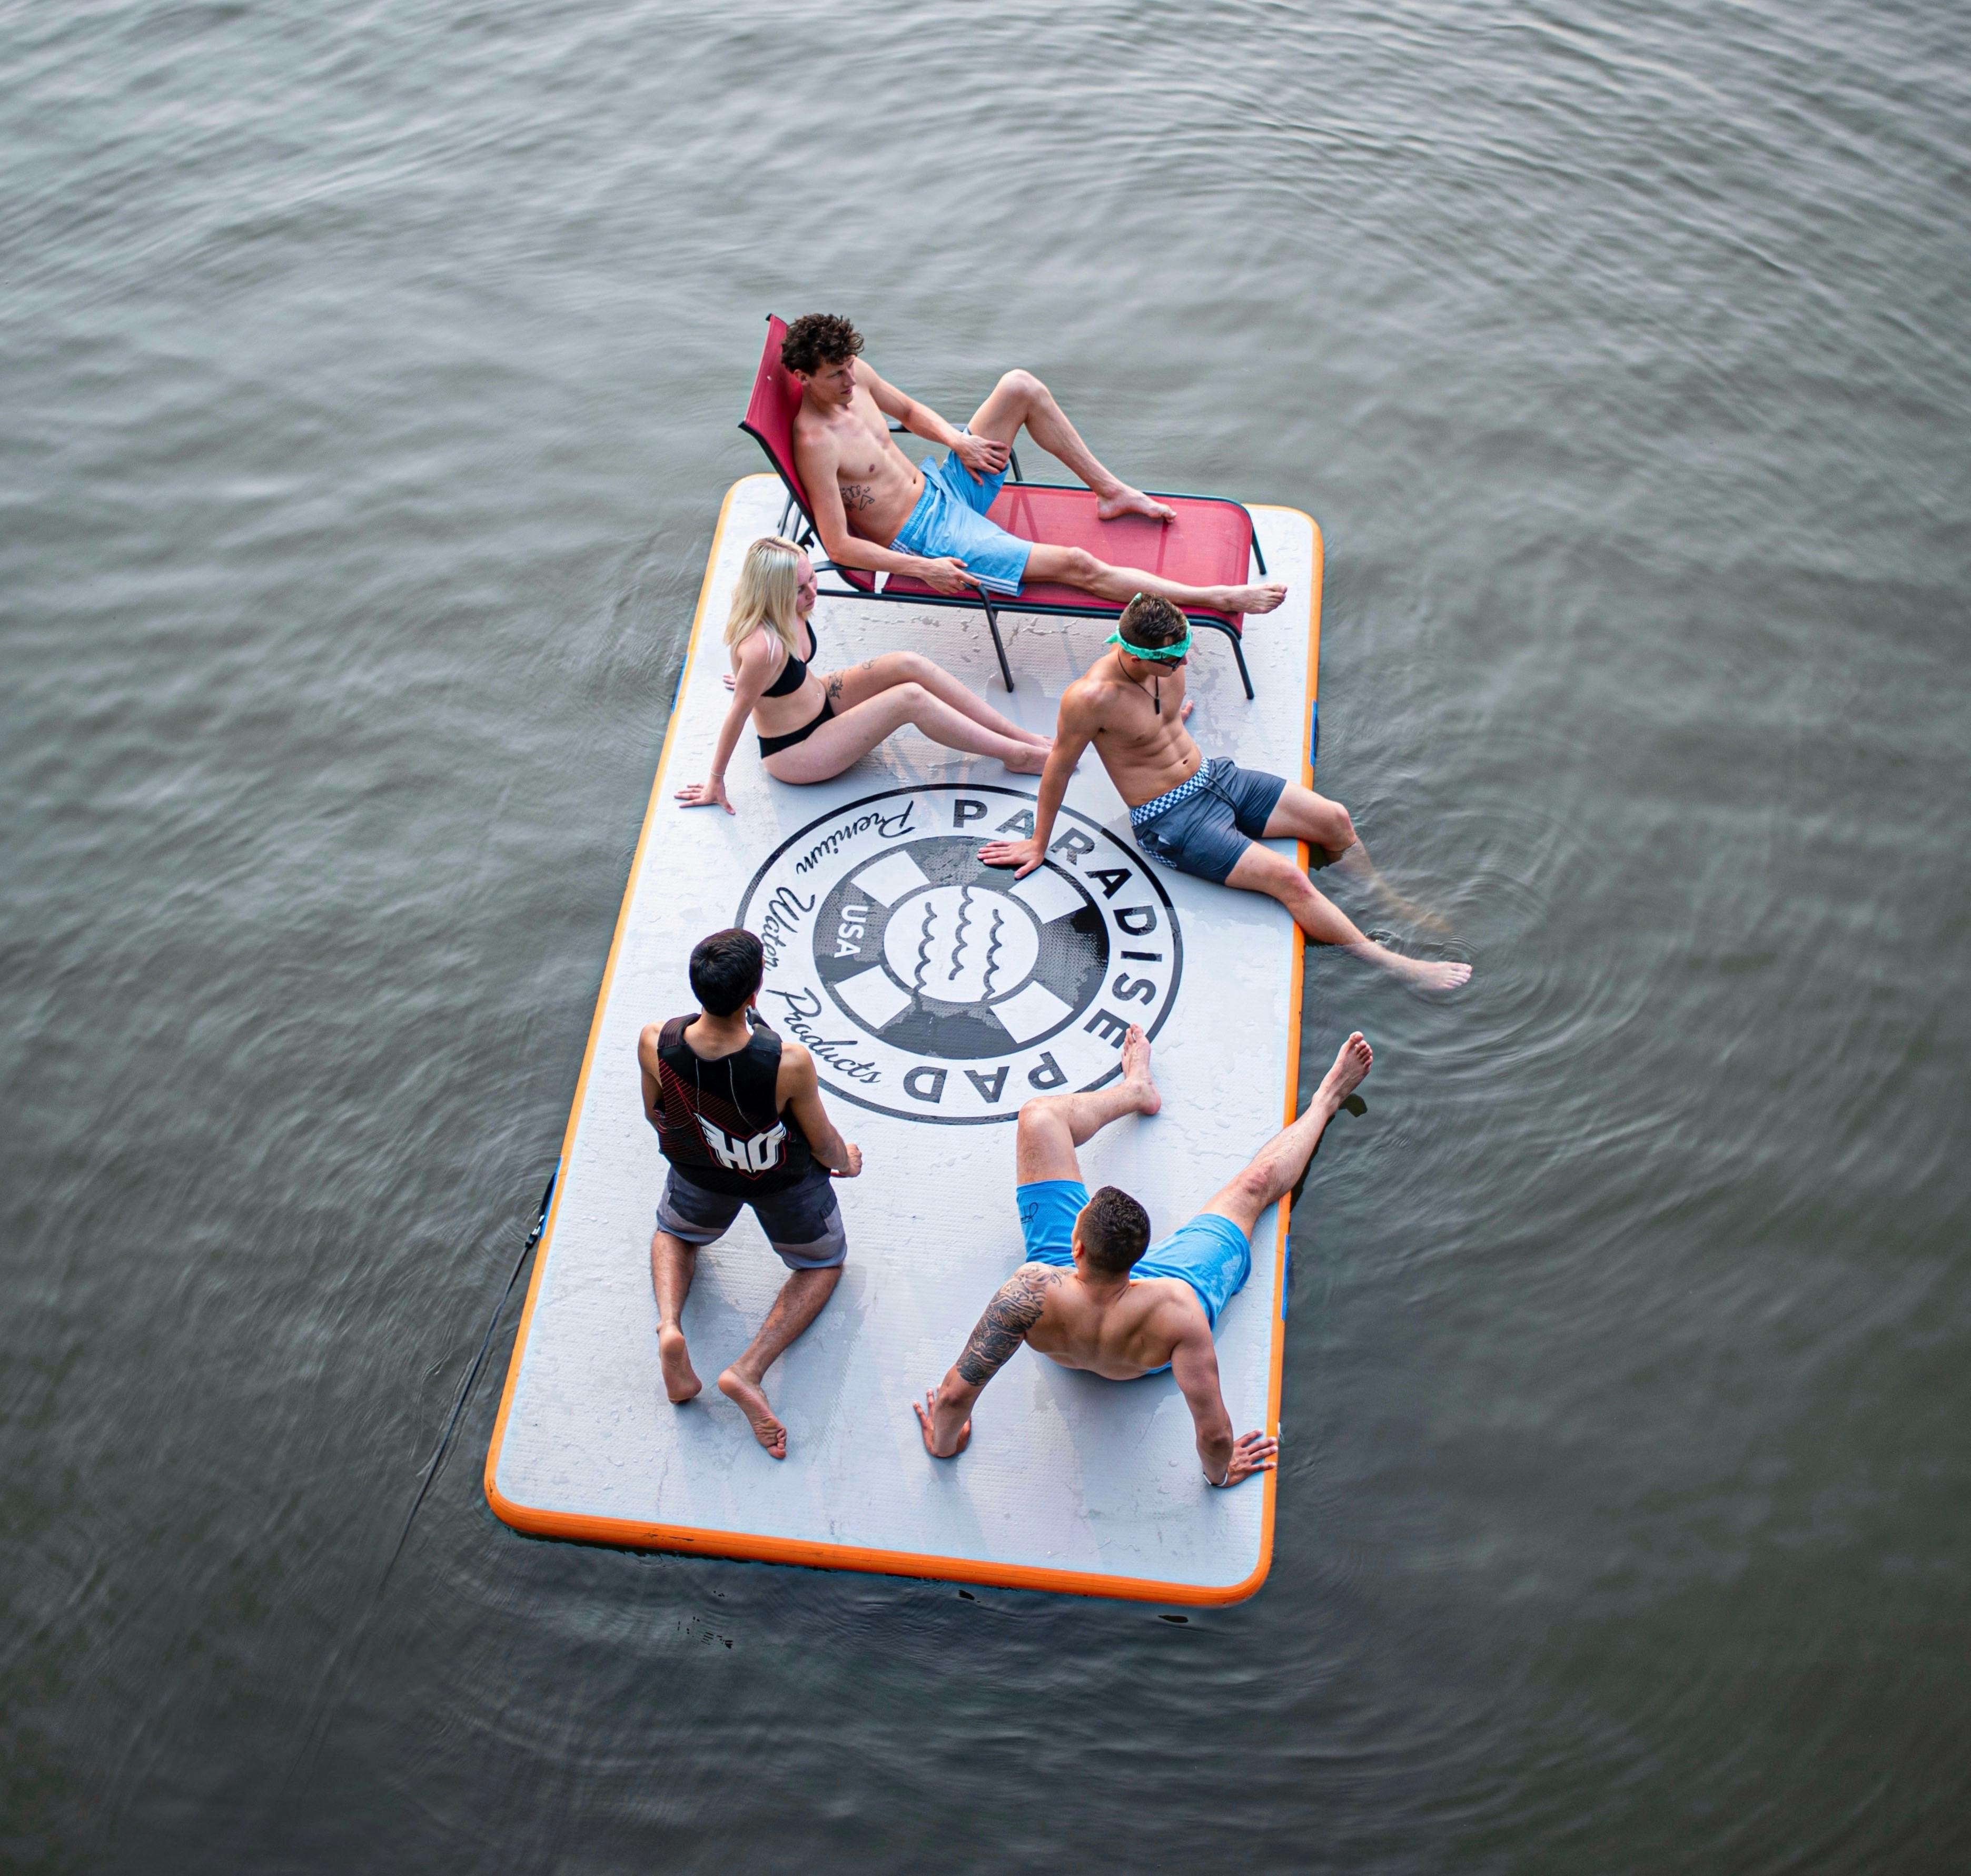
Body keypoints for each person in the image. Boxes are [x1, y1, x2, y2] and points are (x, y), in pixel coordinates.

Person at [914, 1026, 1373, 1487]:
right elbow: (1215, 1437)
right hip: (1145, 1331)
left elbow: (954, 1398)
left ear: (1076, 1245)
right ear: (1140, 1257)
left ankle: (1324, 1100)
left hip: (1077, 1306)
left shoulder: (1029, 1290)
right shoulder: (1179, 1308)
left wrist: (944, 1445)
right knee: (1254, 1187)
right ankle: (1142, 1090)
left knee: (1038, 1116)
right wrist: (1221, 1474)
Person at [980, 594, 1473, 990]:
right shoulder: (1091, 699)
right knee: (1292, 881)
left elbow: (1156, 712)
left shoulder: (1166, 659)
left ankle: (1385, 898)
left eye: (1183, 648)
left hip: (1214, 777)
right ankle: (1394, 964)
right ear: (1133, 654)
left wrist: (1162, 725)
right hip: (1170, 819)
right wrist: (1037, 843)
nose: (1184, 660)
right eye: (1171, 658)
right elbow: (1059, 770)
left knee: (1335, 820)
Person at [781, 312, 1288, 620]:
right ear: (804, 377)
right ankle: (1217, 597)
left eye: (851, 367)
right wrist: (923, 568)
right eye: (836, 375)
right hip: (929, 538)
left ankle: (1109, 491)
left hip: (942, 484)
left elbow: (910, 413)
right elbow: (841, 545)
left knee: (1018, 386)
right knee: (1076, 564)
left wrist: (959, 442)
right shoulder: (814, 442)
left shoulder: (856, 373)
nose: (851, 381)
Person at [639, 927, 863, 1458]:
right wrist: (845, 1161)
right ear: (754, 993)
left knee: (674, 1231)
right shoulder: (786, 1061)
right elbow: (822, 1141)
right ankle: (748, 1370)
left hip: (699, 1172)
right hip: (779, 1182)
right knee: (821, 1264)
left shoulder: (656, 1039)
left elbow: (655, 1112)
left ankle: (669, 1326)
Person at [675, 536, 1051, 810]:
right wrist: (715, 781)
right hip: (798, 749)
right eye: (799, 589)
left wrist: (749, 683)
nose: (812, 592)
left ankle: (1017, 734)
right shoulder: (762, 648)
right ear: (772, 593)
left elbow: (759, 680)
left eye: (811, 579)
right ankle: (1016, 754)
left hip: (821, 698)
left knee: (908, 664)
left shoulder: (786, 612)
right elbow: (737, 714)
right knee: (910, 700)